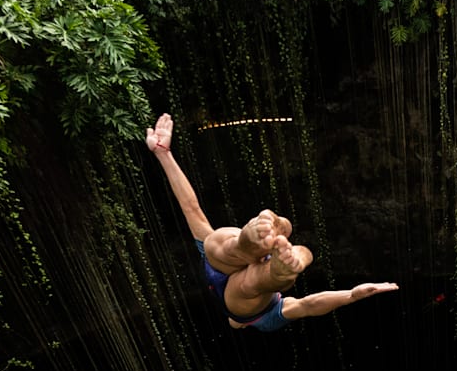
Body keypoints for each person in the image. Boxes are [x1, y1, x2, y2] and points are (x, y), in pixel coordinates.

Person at [146, 113, 399, 330]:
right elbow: (191, 208)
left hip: (232, 273)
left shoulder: (257, 315)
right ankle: (277, 256)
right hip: (237, 284)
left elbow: (308, 305)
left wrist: (352, 295)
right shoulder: (261, 319)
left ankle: (266, 251)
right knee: (243, 269)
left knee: (226, 253)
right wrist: (163, 154)